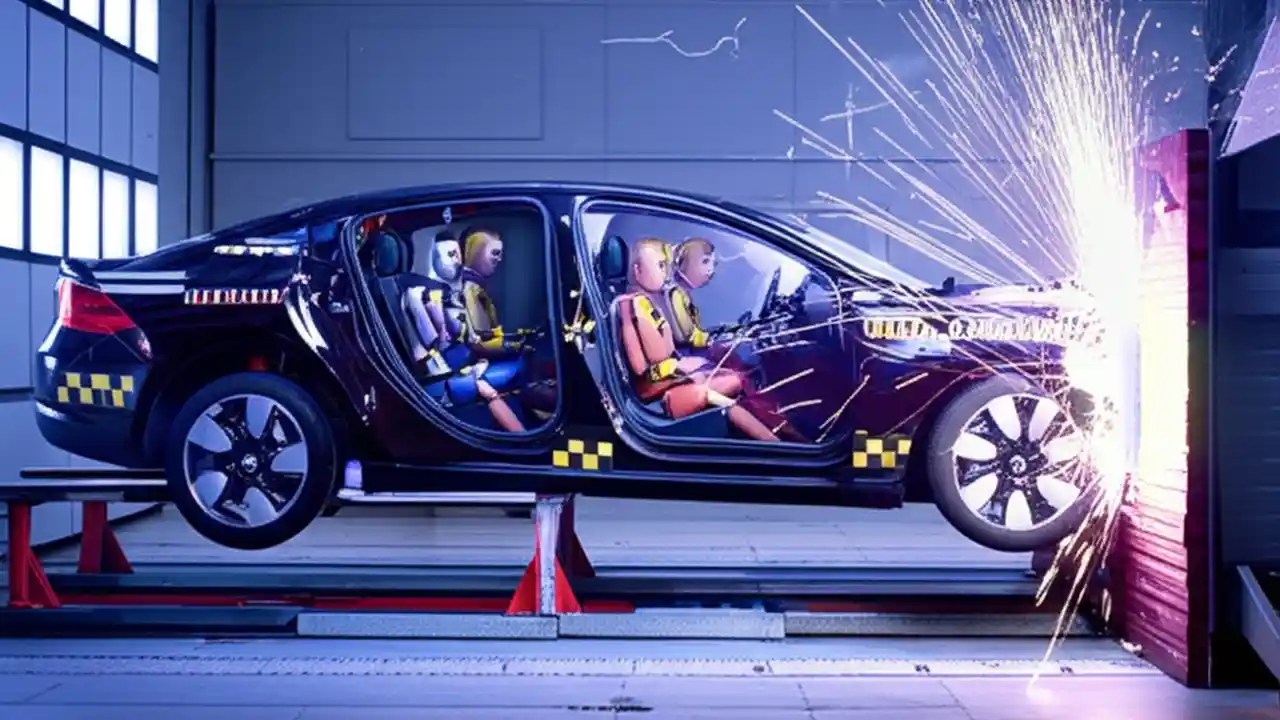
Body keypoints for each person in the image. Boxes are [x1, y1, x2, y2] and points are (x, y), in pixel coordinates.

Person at [615, 238, 778, 442]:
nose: (666, 272)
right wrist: (677, 366)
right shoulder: (631, 307)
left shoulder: (648, 303)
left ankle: (780, 435)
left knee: (737, 377)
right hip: (659, 394)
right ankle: (779, 446)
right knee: (732, 392)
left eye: (666, 266)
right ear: (637, 271)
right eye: (660, 265)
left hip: (671, 378)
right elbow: (640, 368)